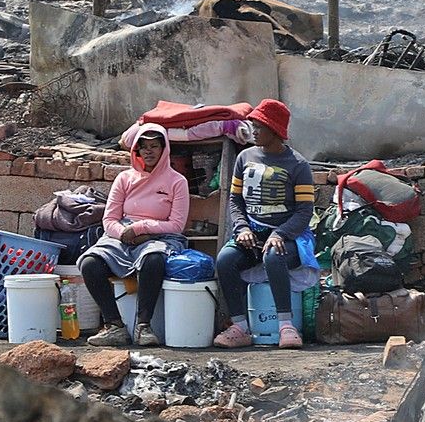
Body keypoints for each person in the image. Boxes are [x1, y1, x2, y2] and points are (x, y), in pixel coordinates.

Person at [213, 100, 315, 350]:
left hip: (288, 237)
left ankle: (285, 326)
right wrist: (242, 229)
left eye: (260, 127)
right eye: (253, 125)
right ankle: (240, 326)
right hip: (252, 233)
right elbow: (235, 200)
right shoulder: (244, 158)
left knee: (274, 254)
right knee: (225, 259)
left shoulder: (298, 165)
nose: (254, 131)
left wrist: (280, 233)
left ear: (276, 130)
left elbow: (304, 210)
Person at [78, 123, 190, 348]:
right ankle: (114, 325)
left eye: (154, 146)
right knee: (90, 263)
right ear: (136, 150)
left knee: (154, 259)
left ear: (164, 149)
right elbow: (109, 220)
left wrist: (142, 229)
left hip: (160, 236)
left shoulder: (177, 181)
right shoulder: (124, 178)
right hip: (122, 236)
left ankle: (143, 325)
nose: (149, 151)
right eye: (144, 146)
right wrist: (124, 234)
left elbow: (176, 224)